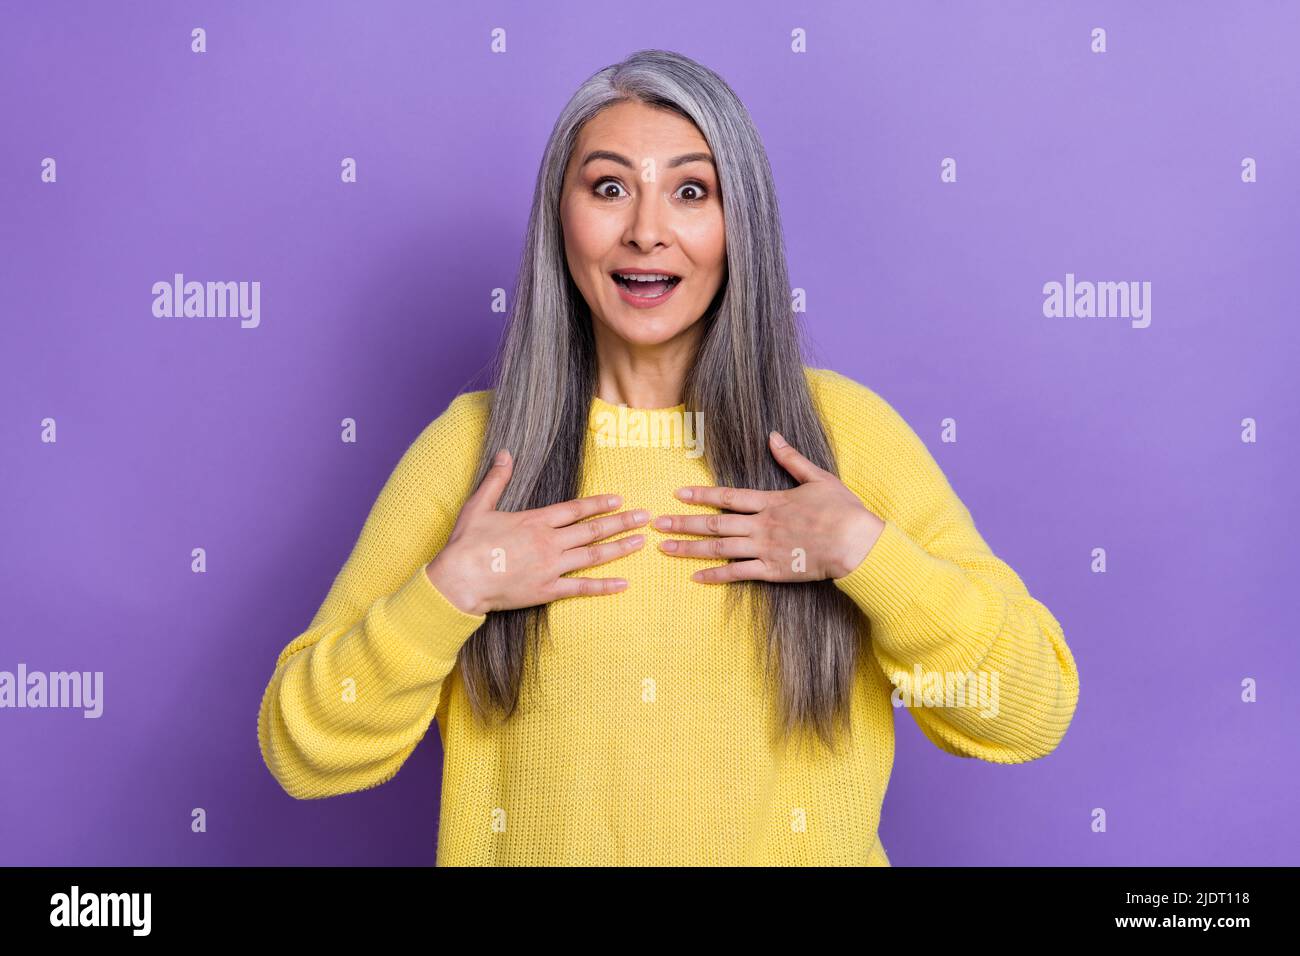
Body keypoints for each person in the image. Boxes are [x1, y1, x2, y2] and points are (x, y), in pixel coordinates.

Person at [257, 48, 1079, 866]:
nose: (646, 231)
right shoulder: (473, 450)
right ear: (560, 218)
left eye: (692, 192)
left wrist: (865, 554)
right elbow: (305, 753)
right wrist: (451, 591)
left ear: (739, 223)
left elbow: (1026, 712)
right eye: (609, 188)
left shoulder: (847, 436)